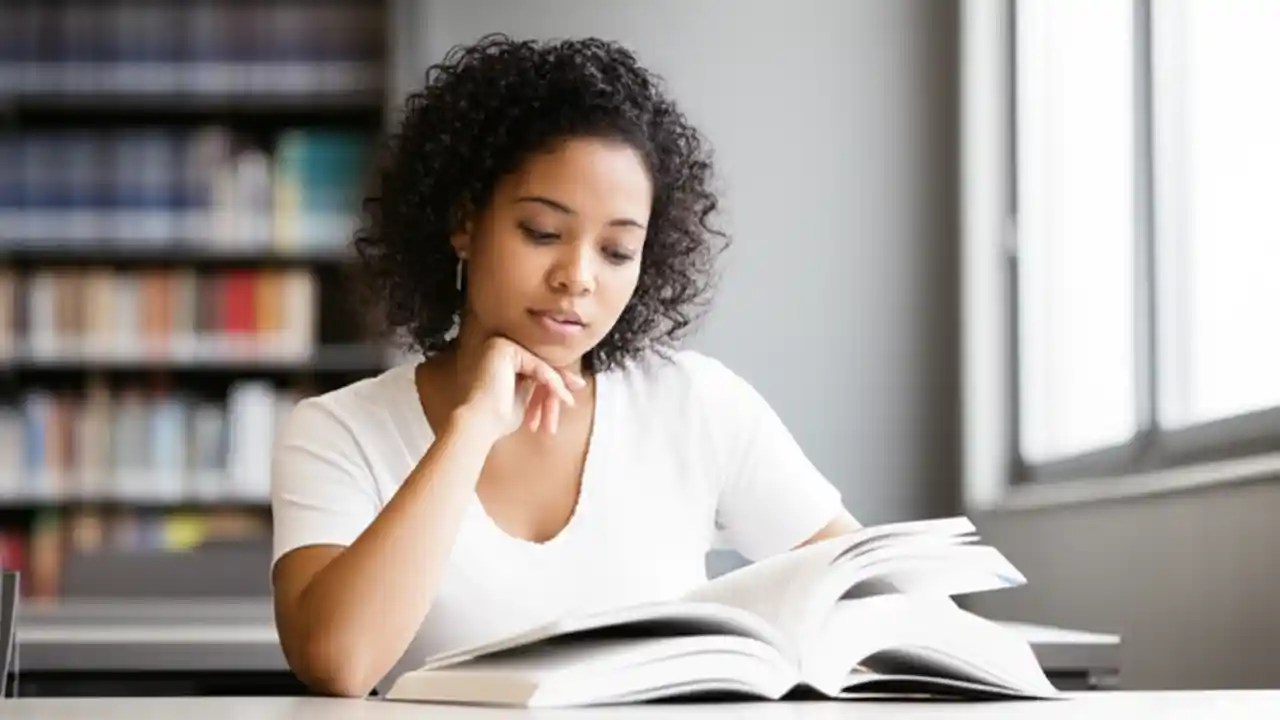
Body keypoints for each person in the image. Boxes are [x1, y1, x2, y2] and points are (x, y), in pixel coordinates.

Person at [269, 34, 860, 699]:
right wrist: (471, 427)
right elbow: (338, 661)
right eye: (542, 233)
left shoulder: (696, 405)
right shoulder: (338, 431)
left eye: (615, 251)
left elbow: (874, 603)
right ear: (466, 222)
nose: (576, 278)